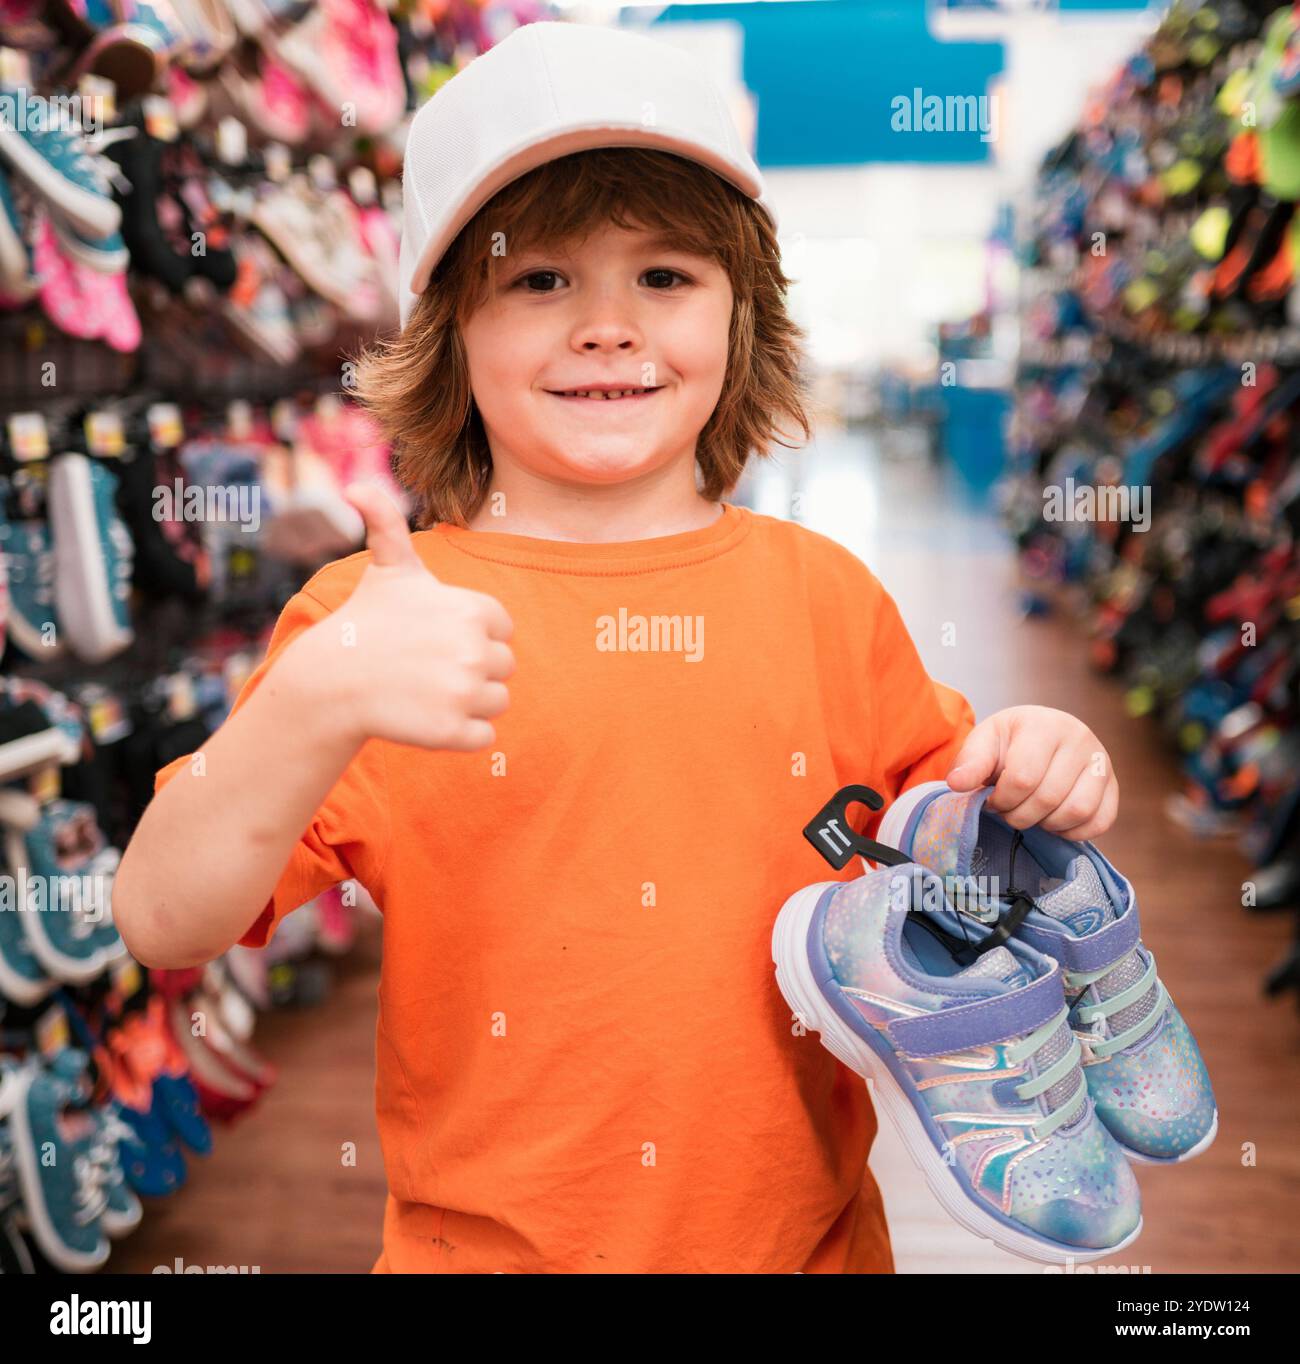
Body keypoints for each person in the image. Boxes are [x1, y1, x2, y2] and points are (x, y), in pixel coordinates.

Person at [112, 21, 1120, 1273]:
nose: (605, 325)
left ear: (740, 315)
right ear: (450, 331)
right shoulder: (376, 624)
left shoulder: (826, 597)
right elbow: (160, 916)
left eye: (664, 276)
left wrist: (1040, 759)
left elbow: (956, 848)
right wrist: (308, 703)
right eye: (538, 279)